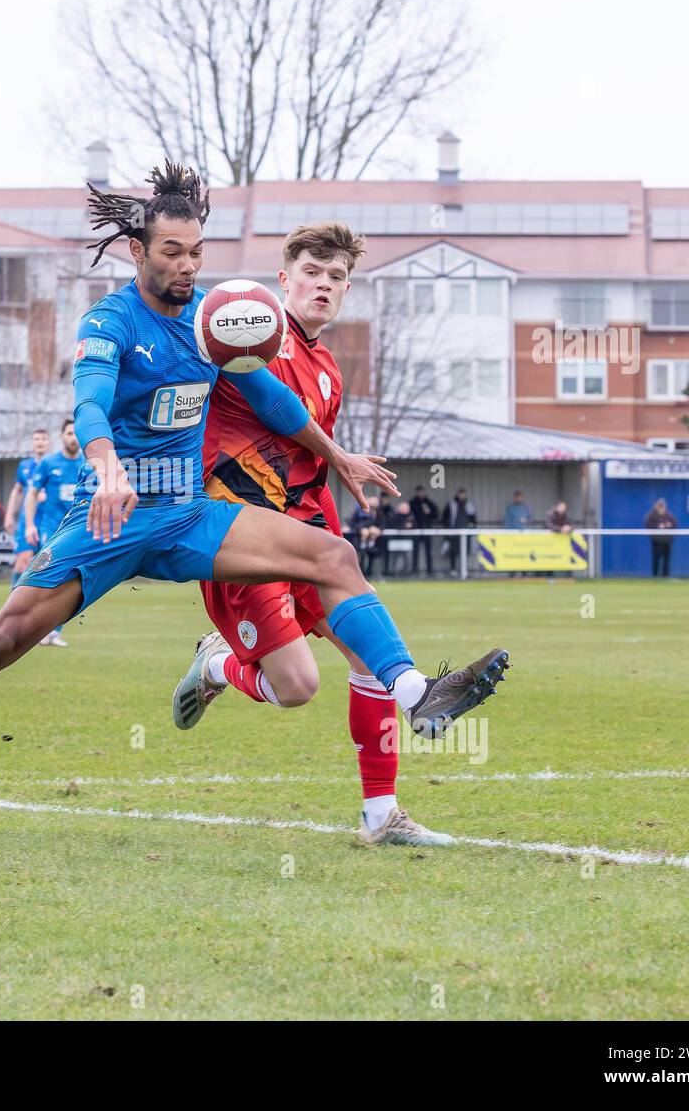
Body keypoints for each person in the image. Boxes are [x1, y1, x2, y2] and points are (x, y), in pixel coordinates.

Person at [0, 160, 508, 823]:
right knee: (2, 640)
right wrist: (107, 464)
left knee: (334, 556)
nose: (187, 265)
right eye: (172, 251)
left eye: (196, 252)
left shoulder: (211, 320)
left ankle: (416, 693)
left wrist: (337, 454)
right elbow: (89, 403)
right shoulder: (109, 322)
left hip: (188, 515)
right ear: (138, 252)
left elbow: (270, 398)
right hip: (111, 519)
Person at [182, 222, 462, 844]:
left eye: (337, 277)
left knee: (369, 656)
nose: (324, 285)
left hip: (307, 533)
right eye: (312, 273)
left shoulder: (329, 368)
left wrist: (339, 548)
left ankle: (382, 814)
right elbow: (271, 410)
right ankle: (218, 664)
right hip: (241, 536)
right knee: (297, 687)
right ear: (284, 280)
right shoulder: (246, 333)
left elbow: (306, 472)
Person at [25, 419, 87, 648]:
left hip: (77, 531)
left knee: (73, 582)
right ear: (61, 436)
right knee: (47, 579)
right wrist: (30, 525)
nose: (73, 437)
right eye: (69, 433)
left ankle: (54, 632)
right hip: (51, 530)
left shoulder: (87, 463)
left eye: (76, 433)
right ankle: (34, 627)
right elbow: (32, 493)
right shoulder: (48, 463)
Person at [5, 428, 51, 582]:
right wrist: (9, 515)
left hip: (49, 521)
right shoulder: (25, 466)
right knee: (22, 562)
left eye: (43, 439)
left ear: (49, 443)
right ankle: (15, 596)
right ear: (32, 443)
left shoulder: (54, 464)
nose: (40, 442)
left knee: (47, 566)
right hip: (27, 521)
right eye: (36, 439)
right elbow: (17, 491)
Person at [441, 487, 477, 575]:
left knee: (465, 552)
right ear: (457, 494)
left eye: (463, 494)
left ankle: (464, 570)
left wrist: (472, 526)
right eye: (460, 494)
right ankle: (453, 569)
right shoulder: (451, 504)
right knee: (453, 551)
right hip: (454, 532)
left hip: (466, 532)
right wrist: (448, 528)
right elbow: (445, 518)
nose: (462, 496)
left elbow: (473, 518)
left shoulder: (469, 504)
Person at [644, 497, 677, 577]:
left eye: (662, 505)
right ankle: (655, 576)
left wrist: (669, 525)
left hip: (667, 541)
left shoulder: (669, 515)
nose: (661, 507)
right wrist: (657, 526)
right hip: (656, 541)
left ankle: (665, 576)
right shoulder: (652, 515)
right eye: (659, 505)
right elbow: (647, 524)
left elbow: (674, 524)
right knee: (656, 559)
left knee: (666, 560)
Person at [409, 485, 438, 575]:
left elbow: (435, 515)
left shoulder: (429, 503)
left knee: (428, 551)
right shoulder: (412, 503)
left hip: (427, 529)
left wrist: (429, 512)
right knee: (415, 551)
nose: (420, 494)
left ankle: (430, 569)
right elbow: (408, 514)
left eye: (422, 492)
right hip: (416, 529)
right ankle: (414, 569)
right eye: (419, 492)